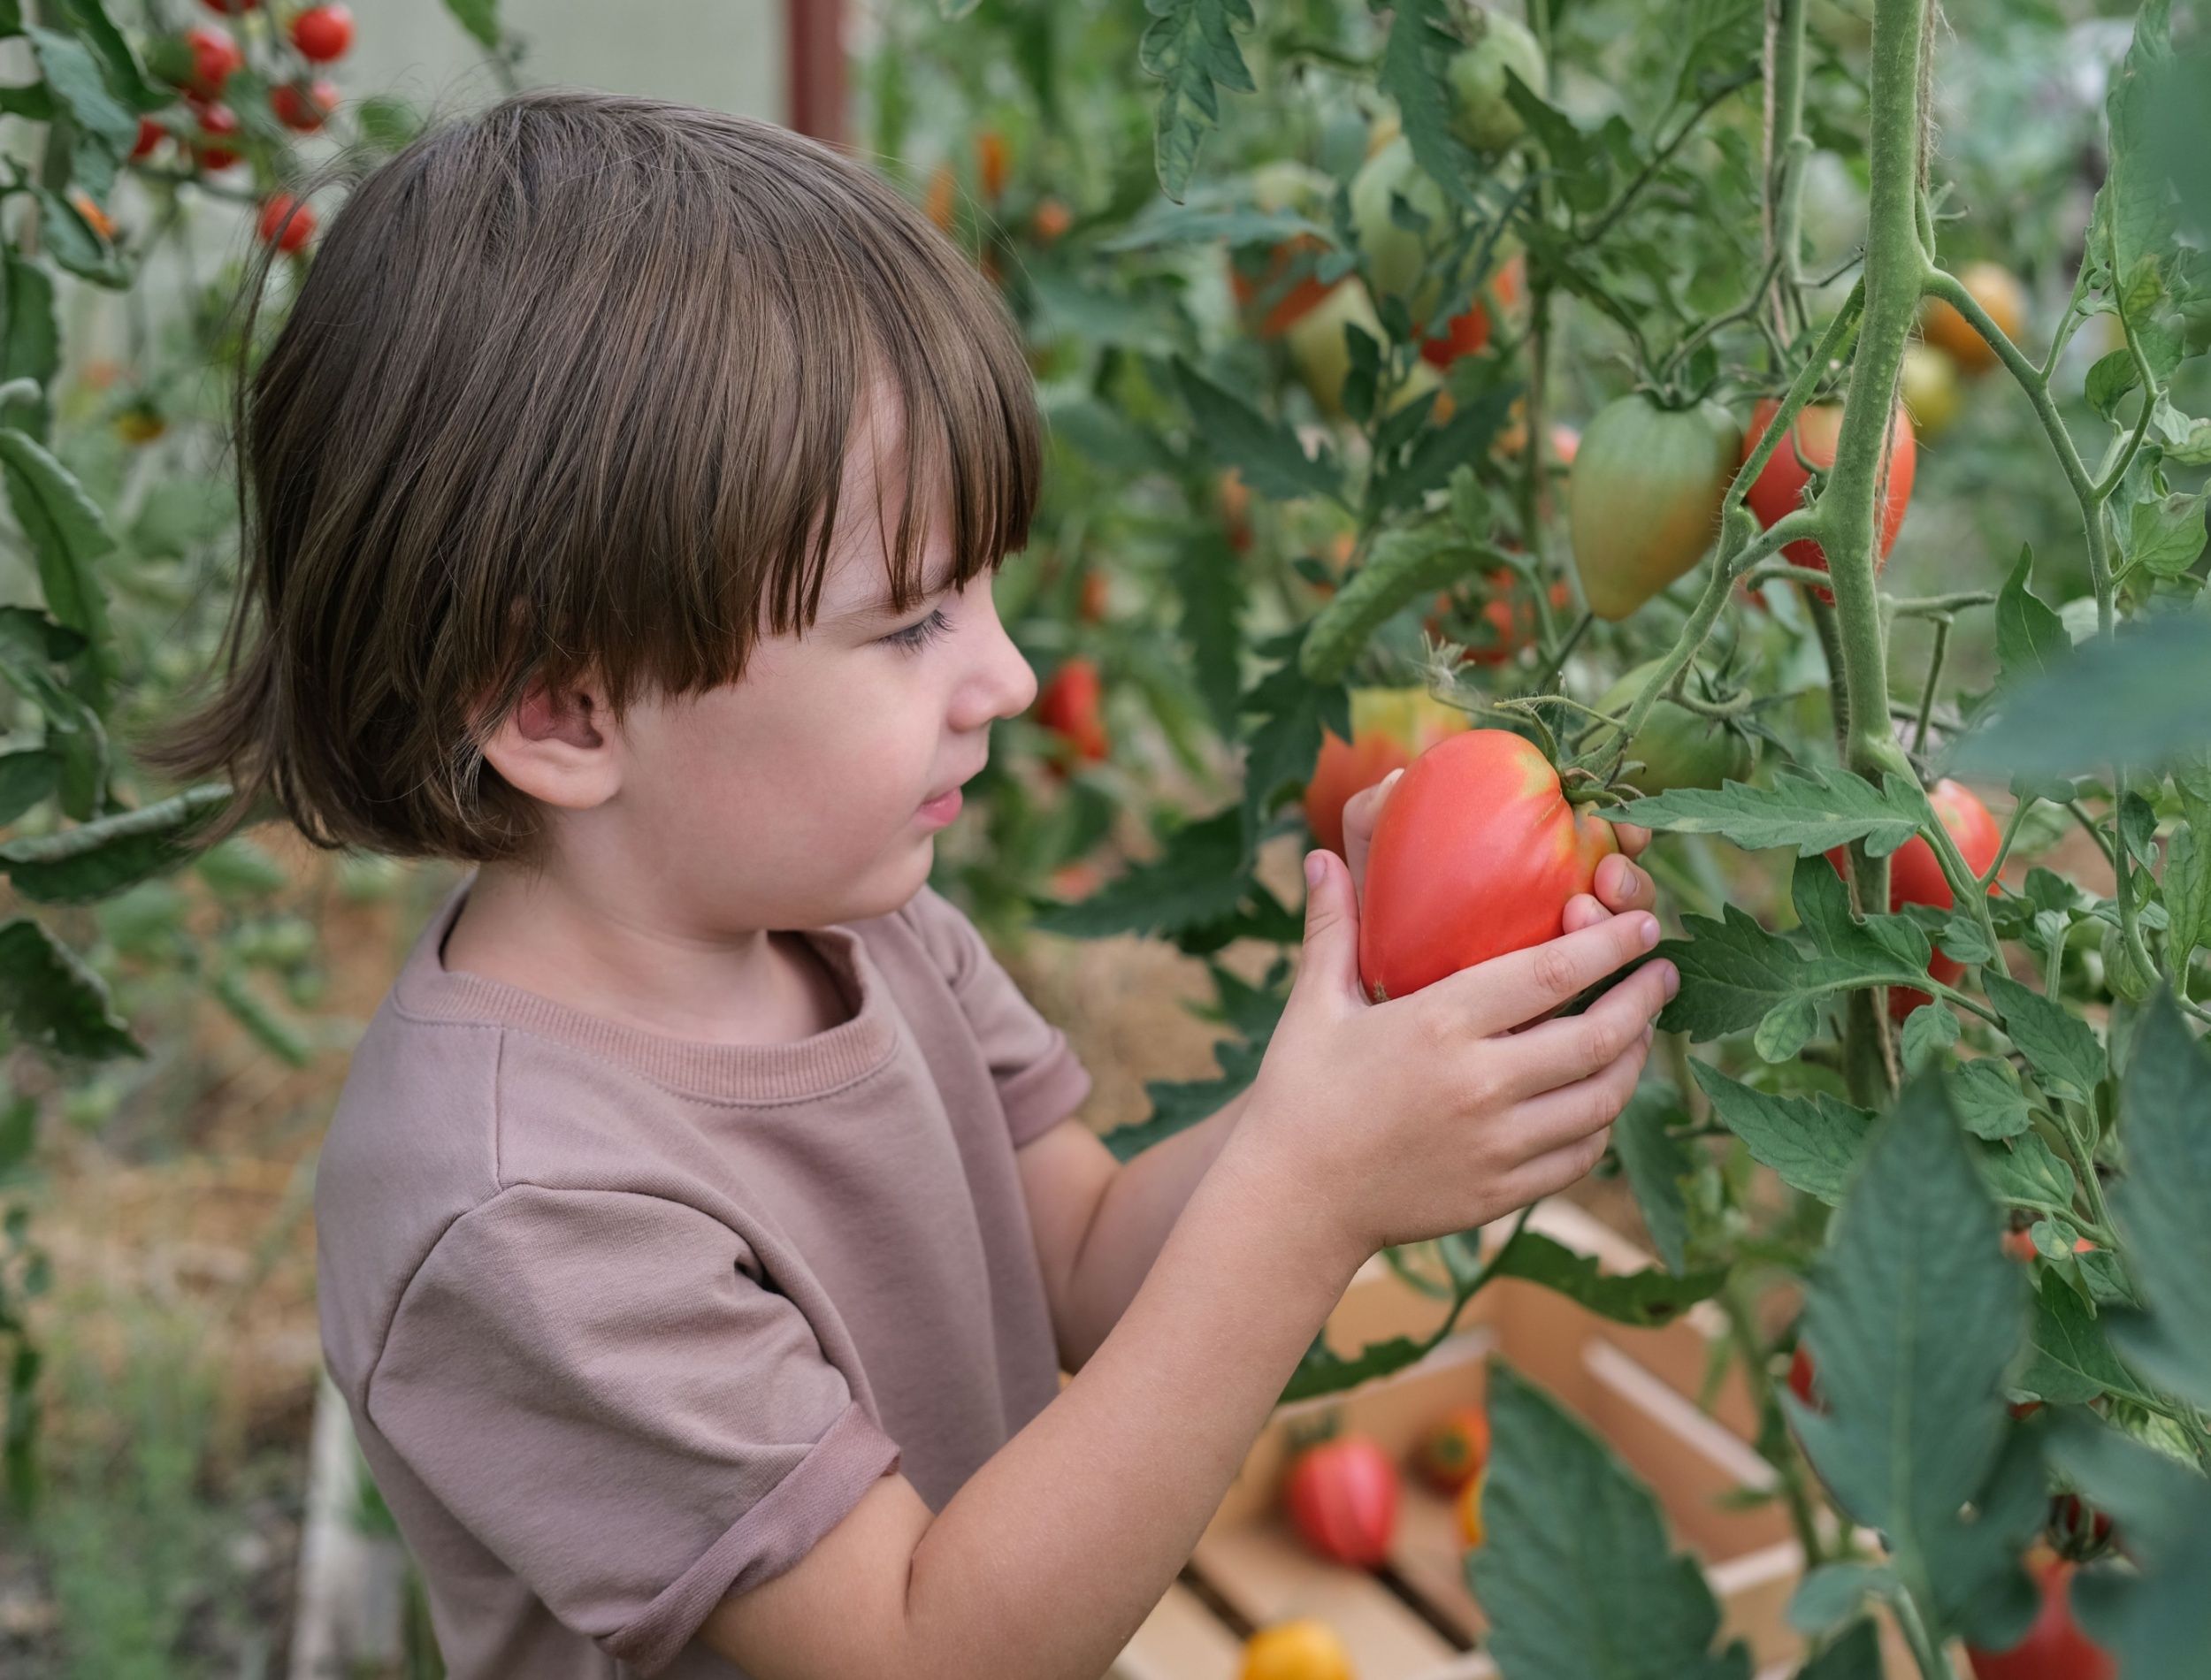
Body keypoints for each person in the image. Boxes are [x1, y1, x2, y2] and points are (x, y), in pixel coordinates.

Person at [149, 89, 1675, 1680]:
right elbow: (921, 1648)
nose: (1009, 676)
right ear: (561, 707)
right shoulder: (518, 1211)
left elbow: (1080, 1259)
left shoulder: (863, 926)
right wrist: (1311, 1199)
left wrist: (1375, 1031)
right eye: (910, 625)